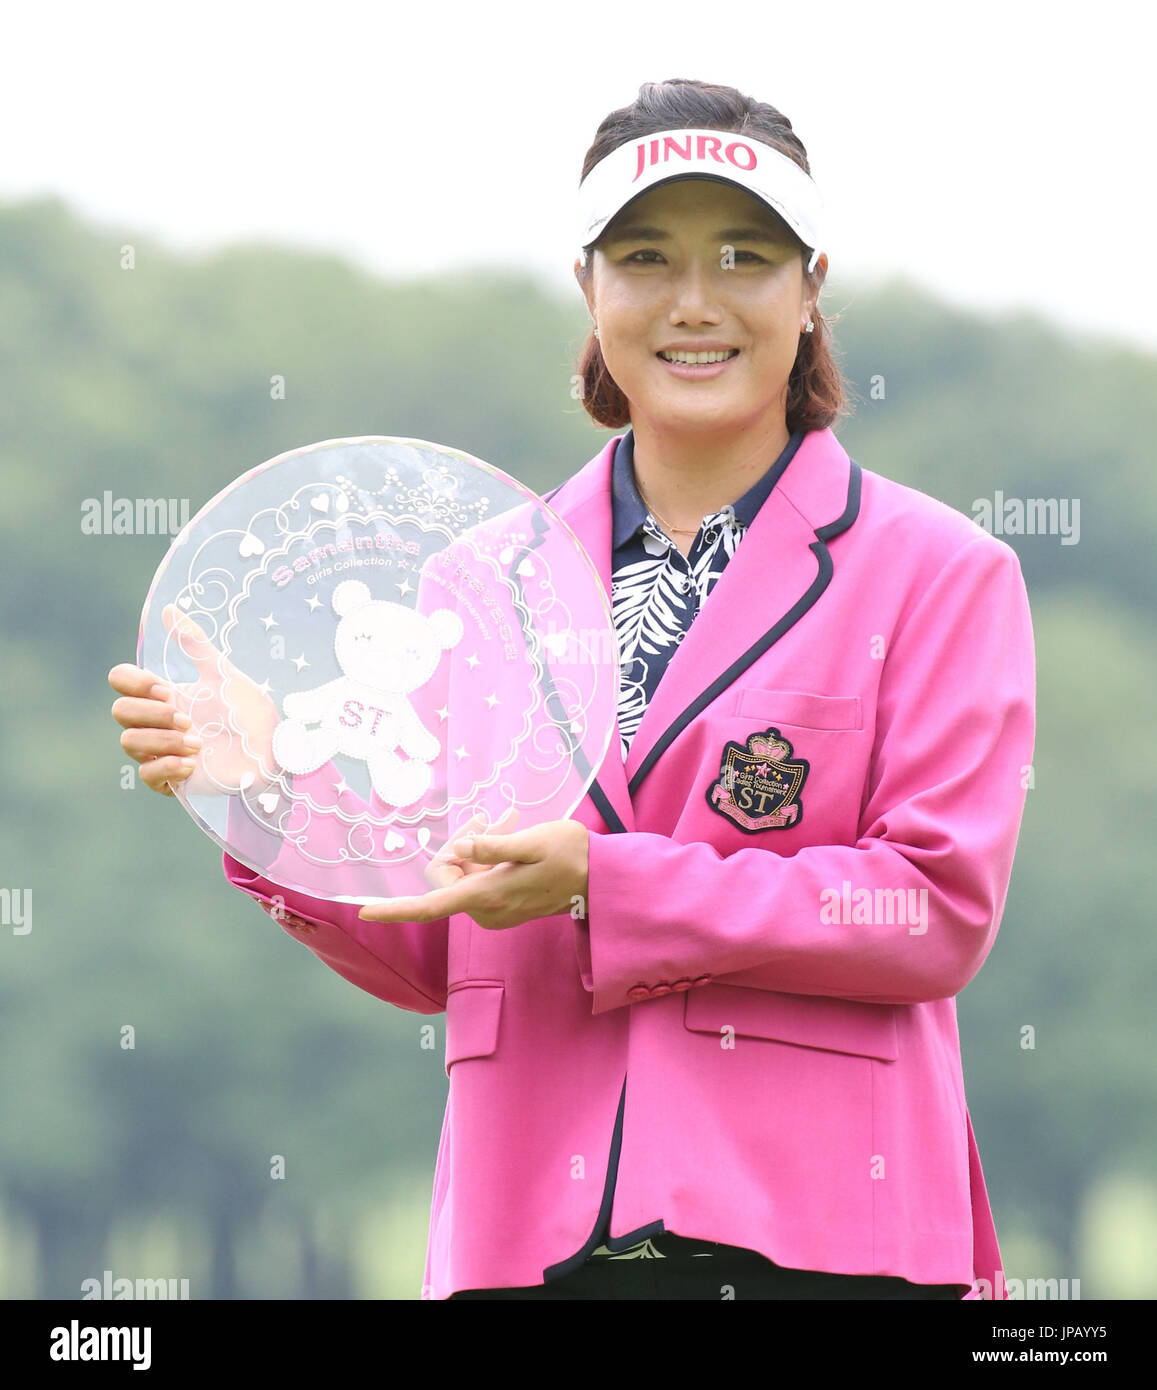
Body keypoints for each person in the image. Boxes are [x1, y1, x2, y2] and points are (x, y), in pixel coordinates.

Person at [109, 77, 1035, 1301]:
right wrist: (273, 797)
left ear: (810, 289)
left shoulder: (939, 573)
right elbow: (441, 946)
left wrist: (608, 885)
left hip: (823, 1246)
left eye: (742, 258)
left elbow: (927, 908)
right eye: (644, 257)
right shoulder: (475, 582)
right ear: (589, 290)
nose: (692, 302)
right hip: (530, 1244)